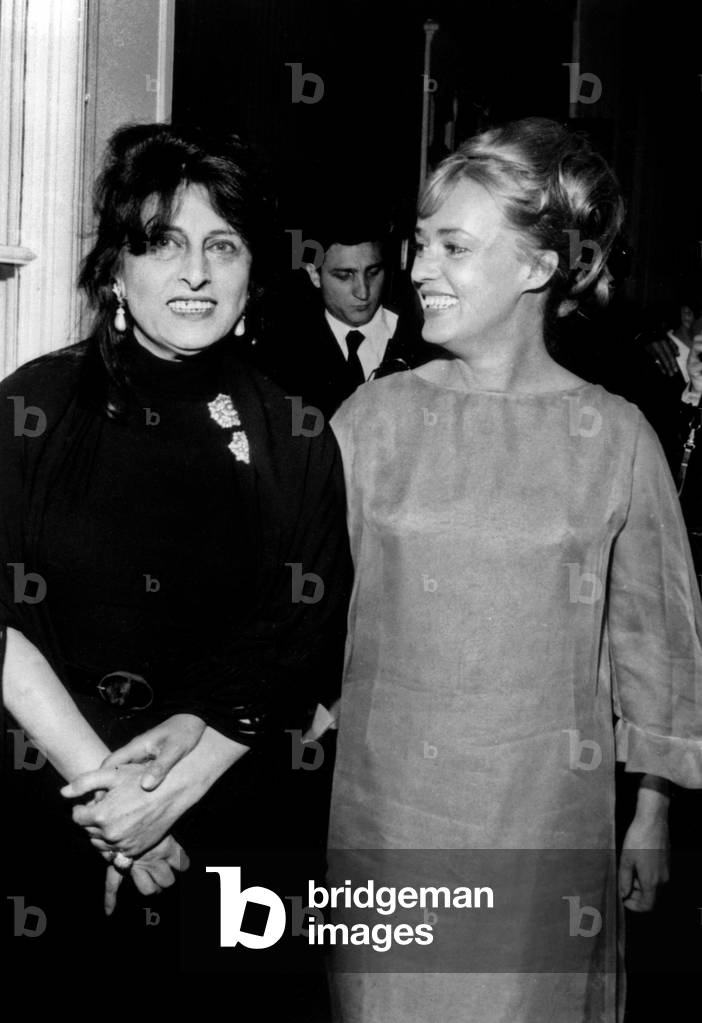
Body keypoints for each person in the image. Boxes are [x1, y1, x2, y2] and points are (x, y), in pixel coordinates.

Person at [325, 118, 702, 1021]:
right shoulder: (368, 422)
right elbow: (293, 613)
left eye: (453, 246)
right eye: (421, 243)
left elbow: (656, 637)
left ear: (537, 267)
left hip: (544, 827)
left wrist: (651, 810)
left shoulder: (615, 437)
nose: (418, 269)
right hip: (389, 821)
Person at [1, 123, 350, 1006]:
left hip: (229, 809)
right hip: (50, 793)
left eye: (221, 245)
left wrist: (170, 794)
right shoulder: (30, 408)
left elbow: (300, 630)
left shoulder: (297, 433)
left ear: (251, 273)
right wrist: (118, 812)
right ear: (116, 268)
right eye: (162, 243)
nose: (195, 271)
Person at [255, 215, 432, 420]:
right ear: (315, 275)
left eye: (373, 272)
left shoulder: (422, 340)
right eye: (345, 275)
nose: (363, 292)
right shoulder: (281, 353)